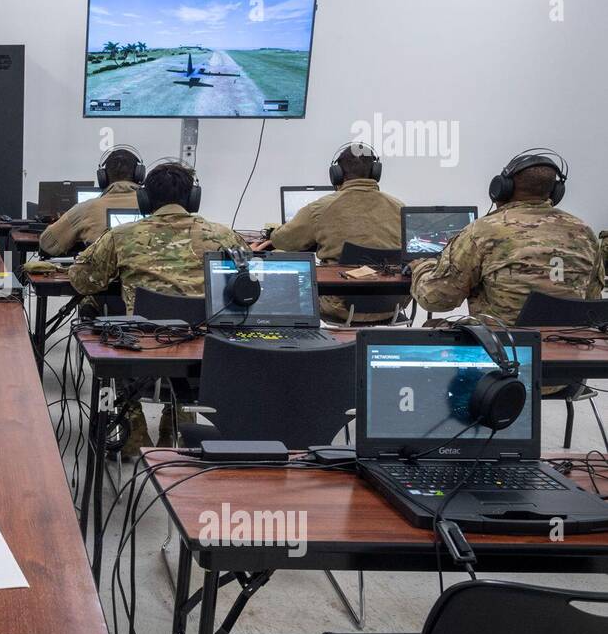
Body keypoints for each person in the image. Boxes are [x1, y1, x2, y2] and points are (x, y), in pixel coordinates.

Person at [69, 160, 248, 456]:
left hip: (141, 349)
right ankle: (178, 424)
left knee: (107, 320)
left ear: (144, 199)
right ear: (193, 199)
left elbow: (82, 280)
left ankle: (133, 429)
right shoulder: (223, 236)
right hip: (205, 348)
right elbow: (248, 280)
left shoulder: (121, 235)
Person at [410, 150, 603, 323]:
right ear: (555, 192)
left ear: (501, 189)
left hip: (506, 349)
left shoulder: (482, 232)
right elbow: (593, 300)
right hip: (570, 349)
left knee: (432, 325)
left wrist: (421, 268)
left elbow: (436, 299)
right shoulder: (584, 233)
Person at [255, 142, 409, 323]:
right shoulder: (400, 208)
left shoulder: (321, 208)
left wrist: (274, 233)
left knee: (279, 257)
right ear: (376, 172)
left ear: (336, 175)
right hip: (392, 306)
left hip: (339, 307)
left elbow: (283, 241)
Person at [38, 146, 143, 256]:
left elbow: (47, 244)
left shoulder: (85, 209)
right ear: (139, 175)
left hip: (102, 272)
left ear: (103, 178)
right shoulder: (155, 208)